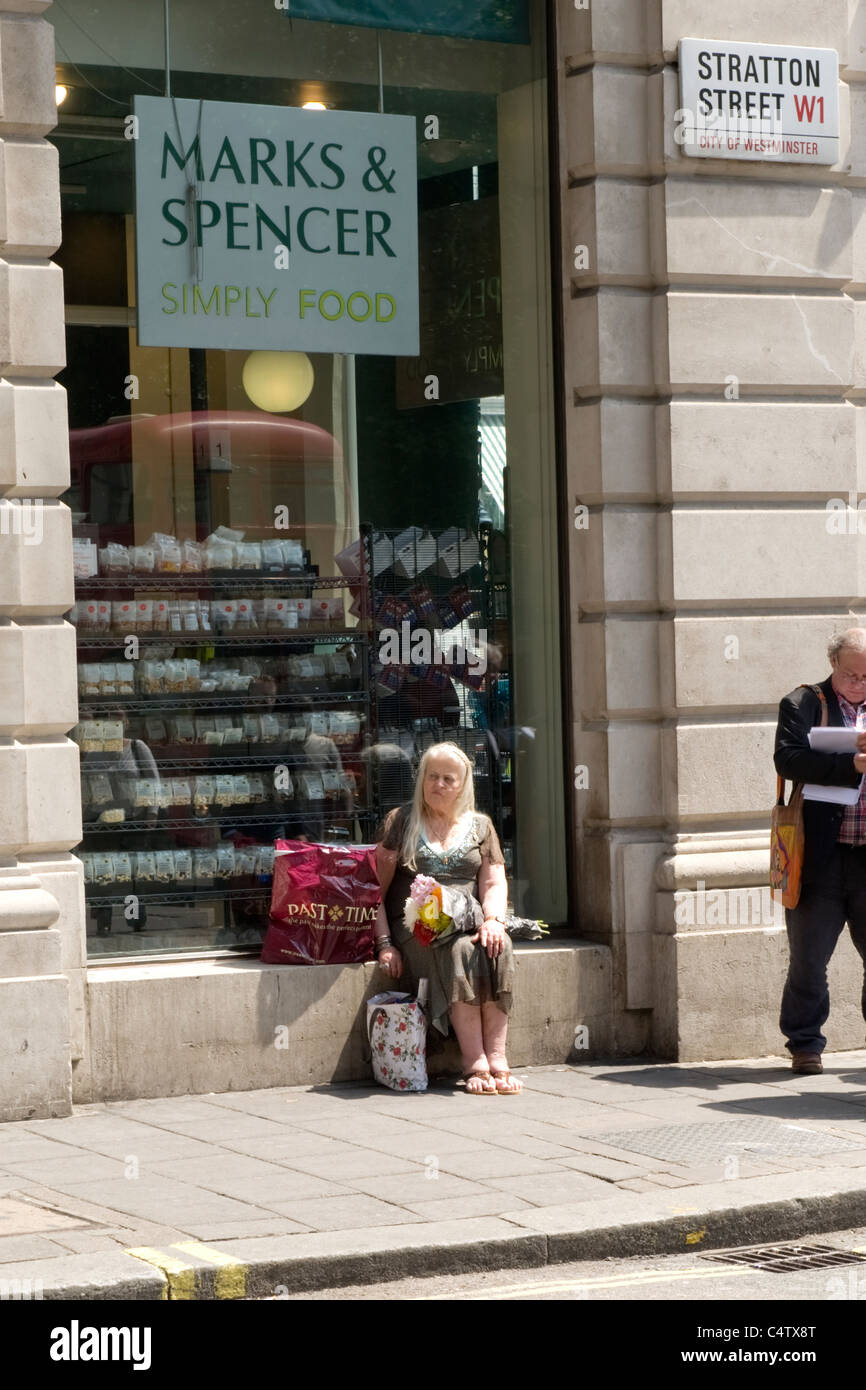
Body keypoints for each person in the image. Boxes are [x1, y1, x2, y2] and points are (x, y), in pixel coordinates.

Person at [373, 741, 522, 1095]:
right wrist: (385, 944)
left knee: (498, 945)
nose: (438, 785)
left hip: (466, 921)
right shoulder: (401, 822)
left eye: (448, 779)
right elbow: (373, 891)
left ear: (462, 785)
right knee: (459, 951)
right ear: (421, 779)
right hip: (415, 928)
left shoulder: (481, 826)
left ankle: (498, 1058)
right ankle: (475, 1064)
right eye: (432, 777)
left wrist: (493, 920)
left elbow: (493, 881)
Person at [774, 628, 866, 1074]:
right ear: (833, 663)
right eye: (852, 674)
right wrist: (850, 765)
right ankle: (805, 1043)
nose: (860, 684)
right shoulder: (803, 702)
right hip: (820, 856)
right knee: (809, 959)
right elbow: (788, 760)